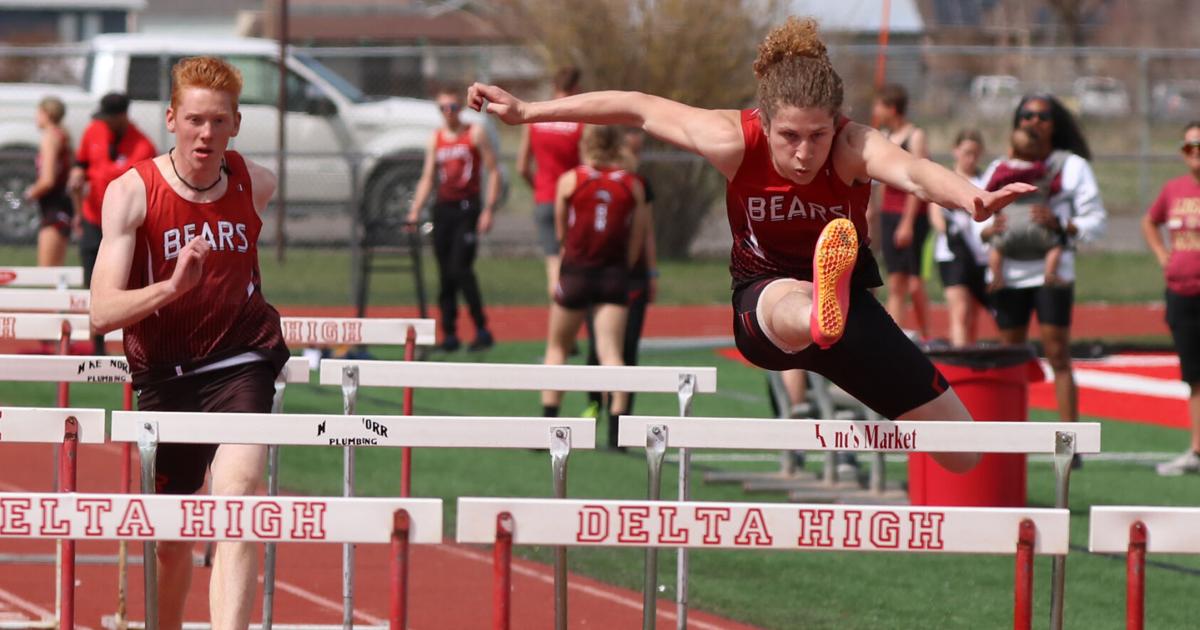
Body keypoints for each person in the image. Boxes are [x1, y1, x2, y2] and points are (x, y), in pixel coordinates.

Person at [470, 16, 1036, 473]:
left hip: (851, 313)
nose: (804, 153)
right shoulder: (732, 139)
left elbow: (912, 171)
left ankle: (830, 308)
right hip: (764, 305)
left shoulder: (852, 146)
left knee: (964, 453)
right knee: (789, 297)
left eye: (818, 135)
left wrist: (970, 198)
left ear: (835, 123)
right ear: (764, 122)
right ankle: (819, 309)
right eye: (789, 136)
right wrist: (528, 112)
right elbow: (638, 106)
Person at [88, 56, 290, 630]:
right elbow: (101, 313)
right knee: (170, 543)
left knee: (239, 499)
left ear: (236, 124)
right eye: (196, 119)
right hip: (166, 378)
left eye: (219, 121)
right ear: (172, 118)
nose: (207, 133)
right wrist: (173, 287)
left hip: (242, 362)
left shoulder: (258, 184)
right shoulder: (133, 193)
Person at [979, 95, 1106, 467]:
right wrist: (990, 229)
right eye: (1027, 115)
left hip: (1053, 270)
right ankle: (1009, 437)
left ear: (1056, 123)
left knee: (1057, 353)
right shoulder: (999, 166)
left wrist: (1062, 225)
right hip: (1009, 273)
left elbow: (1095, 219)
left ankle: (1071, 442)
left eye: (1043, 116)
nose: (1035, 121)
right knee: (1010, 355)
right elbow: (974, 216)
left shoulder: (1071, 166)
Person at [542, 125, 649, 445]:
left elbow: (561, 231)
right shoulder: (633, 185)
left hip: (576, 272)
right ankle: (617, 430)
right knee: (612, 353)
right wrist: (620, 268)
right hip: (613, 275)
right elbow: (637, 239)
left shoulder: (571, 179)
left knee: (557, 347)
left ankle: (547, 421)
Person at [406, 85, 501, 352]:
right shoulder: (435, 138)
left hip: (467, 208)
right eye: (443, 108)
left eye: (454, 108)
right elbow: (428, 177)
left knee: (461, 269)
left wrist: (489, 209)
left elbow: (493, 171)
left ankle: (482, 328)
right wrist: (415, 210)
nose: (449, 113)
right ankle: (449, 332)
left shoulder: (474, 134)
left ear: (461, 108)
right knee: (445, 274)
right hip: (443, 209)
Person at [582, 128, 658, 426]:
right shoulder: (588, 180)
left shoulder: (638, 185)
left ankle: (620, 422)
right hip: (596, 271)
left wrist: (651, 271)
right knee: (597, 346)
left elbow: (646, 231)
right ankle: (593, 404)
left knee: (627, 346)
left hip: (631, 276)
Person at [69, 92, 156, 353]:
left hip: (125, 226)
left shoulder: (143, 146)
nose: (104, 123)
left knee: (128, 284)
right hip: (93, 218)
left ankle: (138, 344)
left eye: (110, 118)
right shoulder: (93, 131)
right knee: (93, 283)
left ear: (122, 117)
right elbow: (80, 164)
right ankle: (98, 347)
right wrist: (76, 177)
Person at [1143, 121, 1200, 476]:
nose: (1194, 152)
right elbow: (1150, 222)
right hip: (1181, 292)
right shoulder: (1173, 190)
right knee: (1194, 375)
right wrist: (1164, 256)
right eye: (1188, 146)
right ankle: (1197, 449)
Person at [516, 67, 584, 299]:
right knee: (576, 265)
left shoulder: (536, 118)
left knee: (553, 267)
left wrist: (539, 189)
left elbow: (522, 167)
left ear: (555, 87)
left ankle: (561, 327)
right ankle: (577, 322)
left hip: (545, 199)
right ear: (575, 88)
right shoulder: (581, 121)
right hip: (574, 200)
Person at [872, 83, 931, 339]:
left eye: (879, 105)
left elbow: (920, 182)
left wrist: (907, 222)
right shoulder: (884, 136)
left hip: (913, 217)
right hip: (889, 215)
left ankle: (928, 336)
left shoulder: (915, 136)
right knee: (895, 281)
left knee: (915, 284)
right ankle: (892, 338)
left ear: (892, 108)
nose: (875, 110)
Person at [985, 127, 1067, 292]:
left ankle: (997, 277)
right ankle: (1050, 273)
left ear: (1011, 150)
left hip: (1007, 226)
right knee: (1056, 246)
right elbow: (1055, 187)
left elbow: (989, 190)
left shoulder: (1001, 171)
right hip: (1036, 223)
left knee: (996, 249)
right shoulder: (1041, 170)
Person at [928, 129, 988, 347]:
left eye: (975, 153)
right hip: (952, 254)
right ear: (955, 151)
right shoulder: (947, 179)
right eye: (966, 152)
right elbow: (935, 213)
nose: (970, 158)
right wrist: (948, 230)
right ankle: (960, 359)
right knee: (960, 311)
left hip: (980, 255)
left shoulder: (984, 180)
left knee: (972, 314)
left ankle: (969, 359)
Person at [23, 96, 74, 267]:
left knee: (47, 273)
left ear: (47, 114)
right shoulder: (62, 135)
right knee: (55, 272)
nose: (36, 118)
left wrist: (30, 194)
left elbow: (48, 180)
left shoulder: (50, 137)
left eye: (38, 113)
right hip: (61, 205)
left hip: (54, 206)